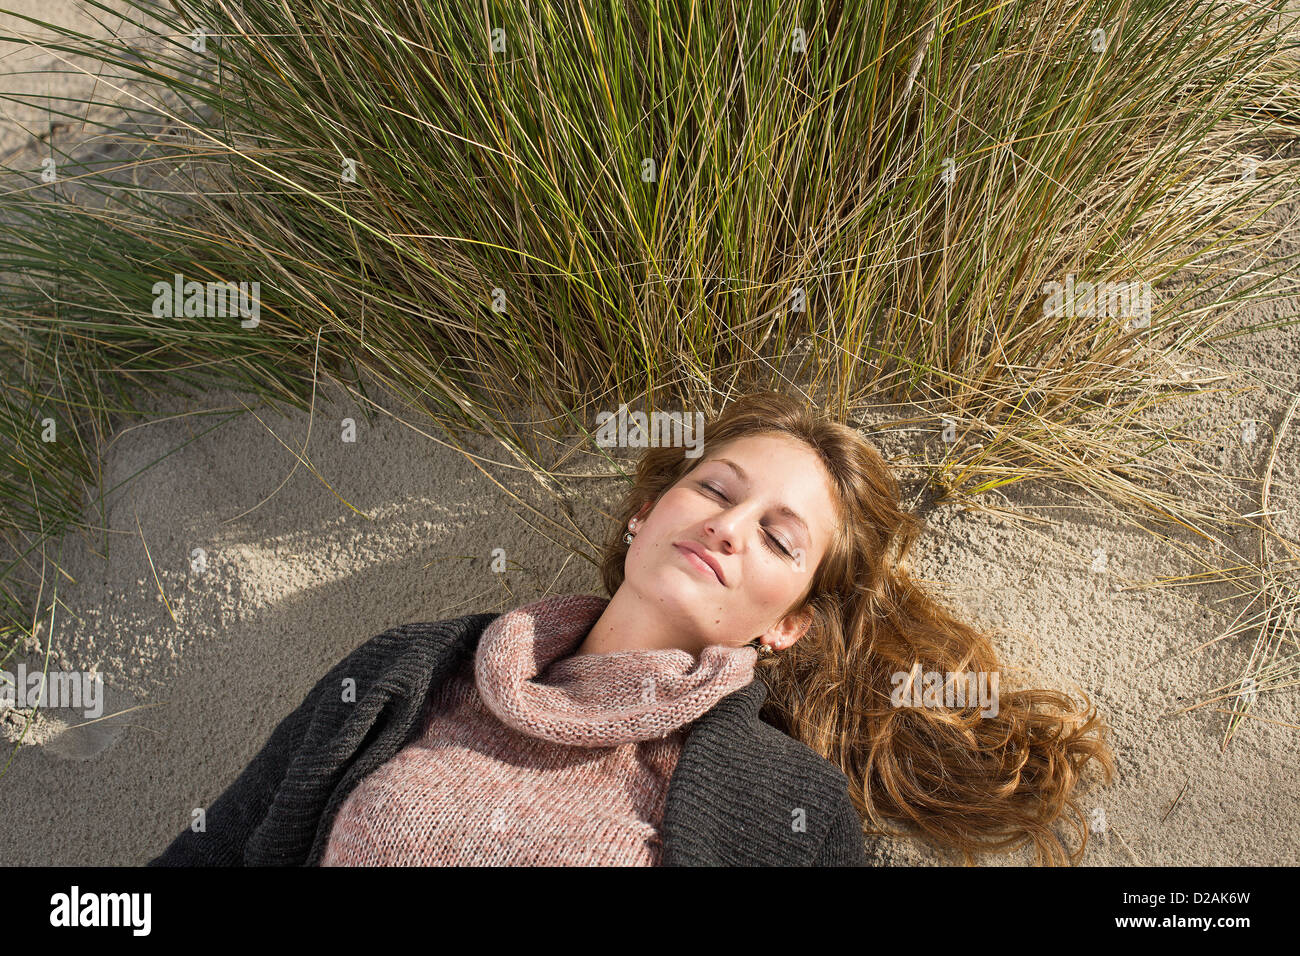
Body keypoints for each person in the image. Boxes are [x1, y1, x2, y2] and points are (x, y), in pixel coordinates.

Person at [149, 390, 1114, 866]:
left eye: (778, 538)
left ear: (787, 627)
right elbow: (209, 856)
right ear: (643, 517)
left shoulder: (782, 805)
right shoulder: (410, 670)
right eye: (713, 490)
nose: (728, 528)